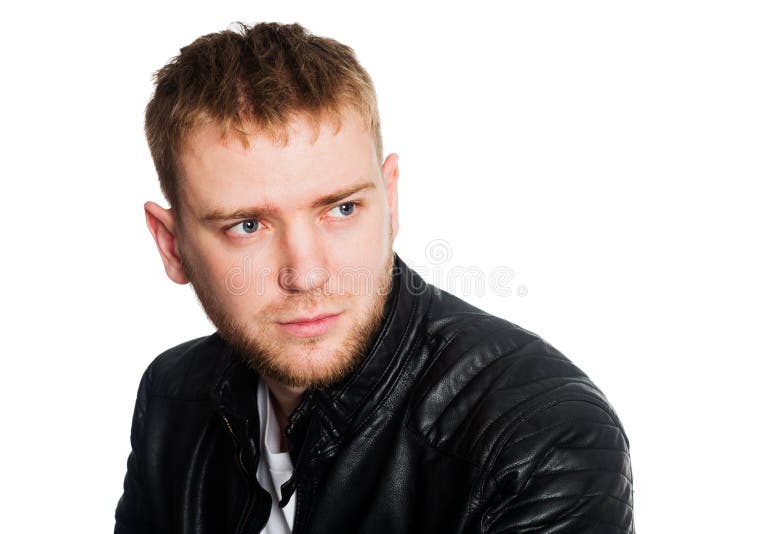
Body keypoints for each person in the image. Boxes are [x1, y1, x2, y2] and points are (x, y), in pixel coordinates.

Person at [115, 21, 634, 534]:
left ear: (390, 202)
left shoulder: (541, 437)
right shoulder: (173, 396)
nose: (307, 274)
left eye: (341, 209)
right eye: (247, 226)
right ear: (171, 245)